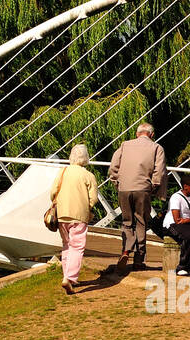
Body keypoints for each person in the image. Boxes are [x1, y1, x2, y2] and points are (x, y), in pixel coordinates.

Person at [105, 123, 167, 273]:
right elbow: (159, 171)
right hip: (143, 189)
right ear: (151, 135)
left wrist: (117, 182)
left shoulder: (125, 145)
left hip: (124, 188)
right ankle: (139, 261)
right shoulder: (157, 148)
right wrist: (153, 187)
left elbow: (113, 166)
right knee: (141, 222)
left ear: (137, 133)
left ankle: (125, 251)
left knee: (127, 222)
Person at [53, 144, 99, 295]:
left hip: (62, 213)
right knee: (77, 246)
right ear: (86, 158)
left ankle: (66, 273)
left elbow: (53, 192)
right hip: (79, 215)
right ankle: (70, 278)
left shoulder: (63, 171)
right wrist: (87, 207)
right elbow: (93, 198)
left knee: (66, 245)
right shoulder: (88, 175)